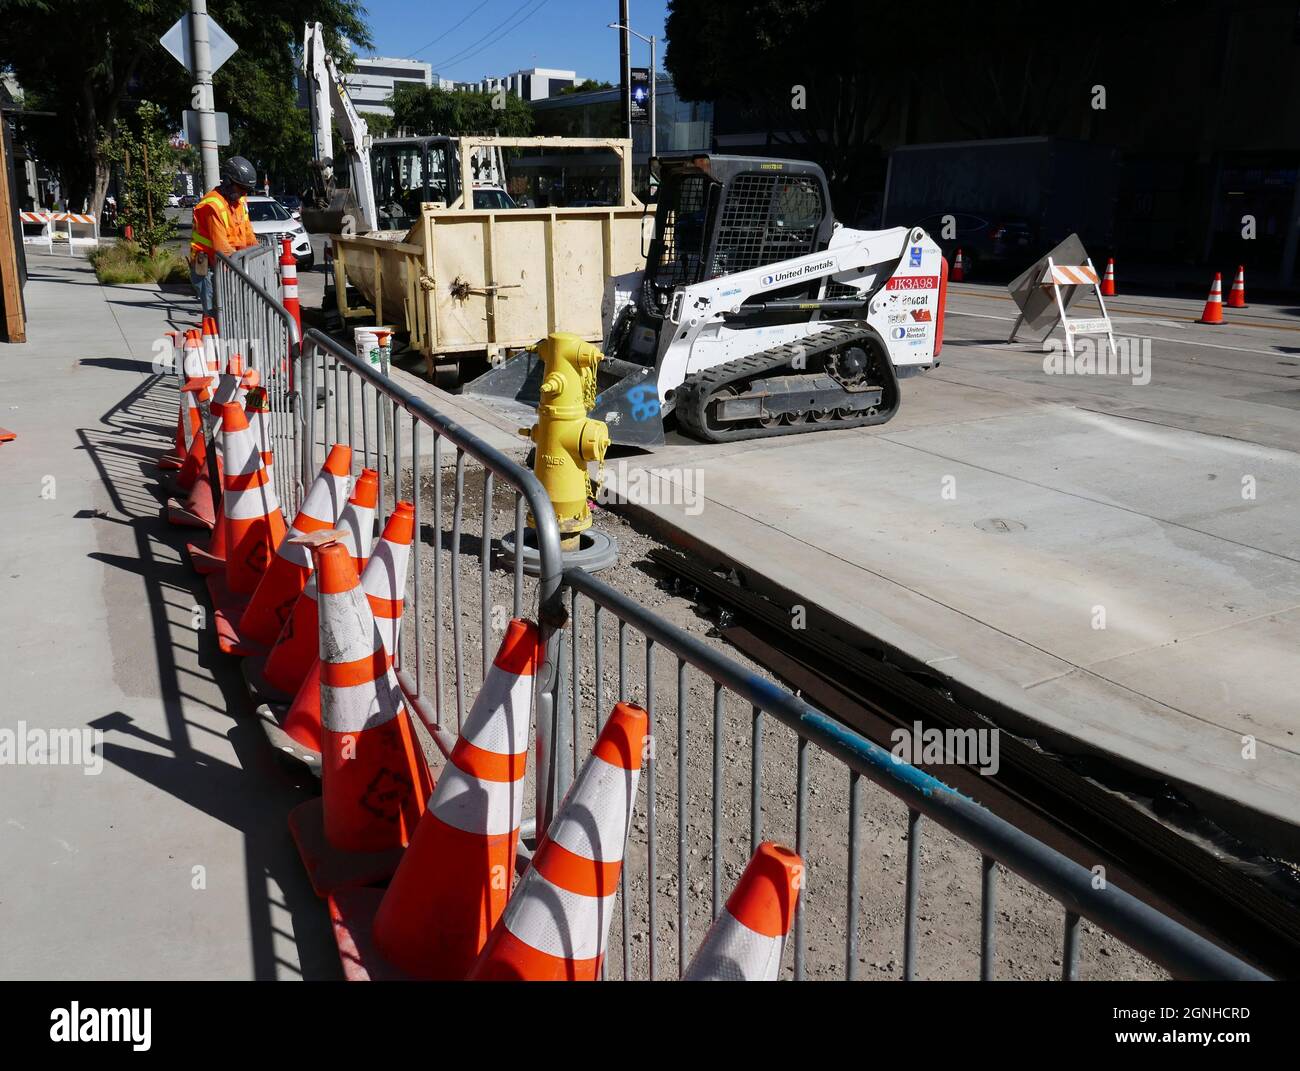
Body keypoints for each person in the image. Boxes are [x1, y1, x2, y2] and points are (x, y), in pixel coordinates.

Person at [189, 156, 258, 315]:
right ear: (228, 182)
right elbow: (222, 249)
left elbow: (248, 233)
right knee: (216, 315)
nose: (243, 193)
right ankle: (214, 338)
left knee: (231, 315)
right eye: (240, 188)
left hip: (228, 266)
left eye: (245, 190)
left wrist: (258, 257)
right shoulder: (213, 206)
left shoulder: (239, 201)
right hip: (209, 268)